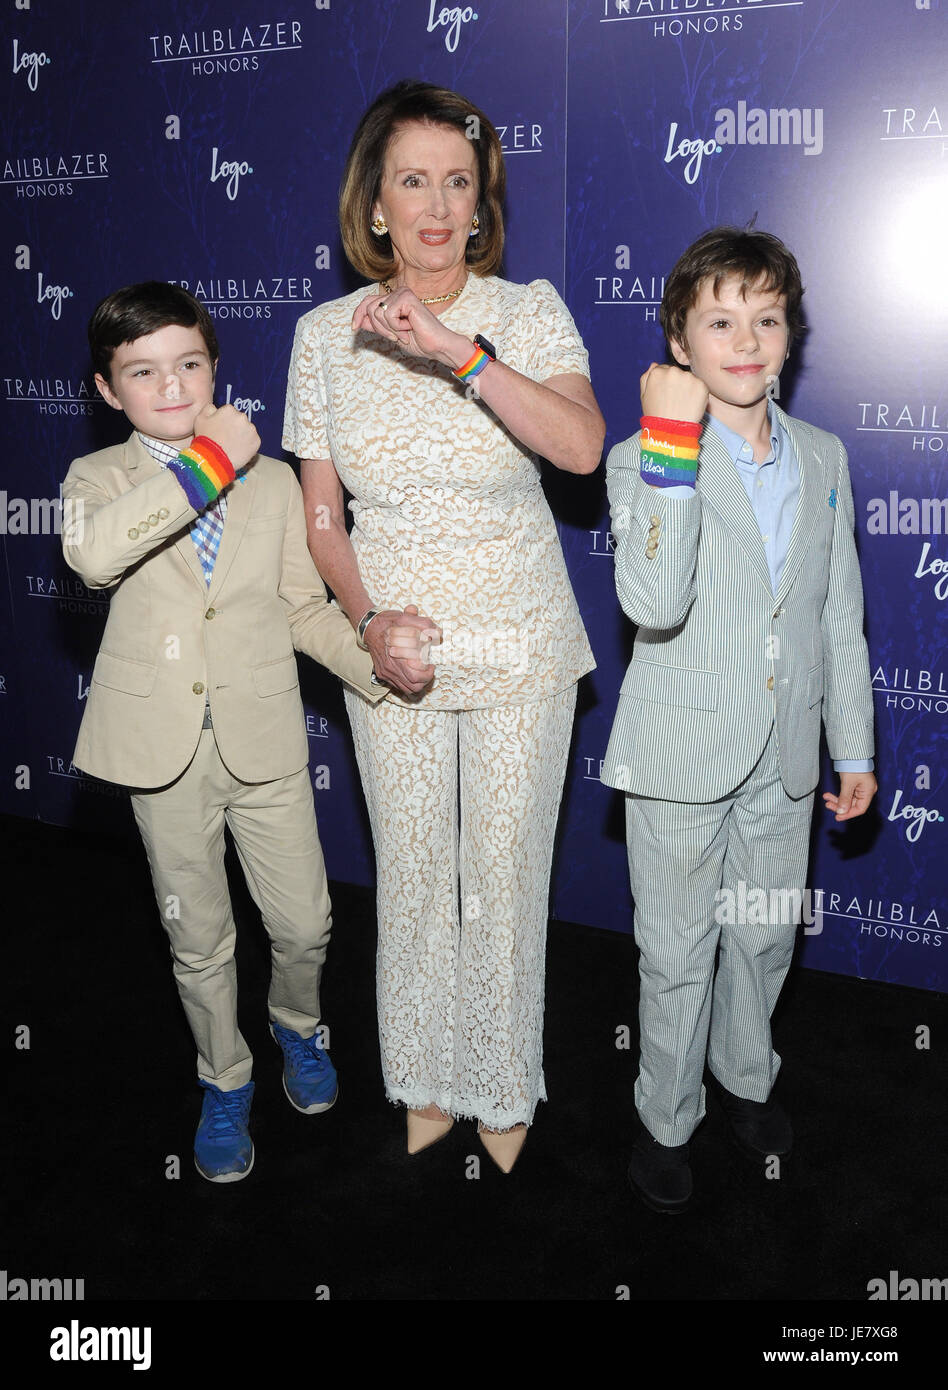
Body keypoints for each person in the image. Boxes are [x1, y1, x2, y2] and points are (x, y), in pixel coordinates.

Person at [283, 80, 605, 1172]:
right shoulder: (323, 338)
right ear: (373, 204)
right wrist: (368, 621)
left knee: (506, 870)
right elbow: (322, 519)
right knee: (416, 869)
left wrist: (457, 350)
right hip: (397, 646)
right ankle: (423, 1079)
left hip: (518, 638)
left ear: (481, 202)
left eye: (456, 182)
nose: (433, 204)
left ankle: (502, 1085)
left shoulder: (529, 311)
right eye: (410, 181)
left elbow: (579, 449)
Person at [62, 281, 394, 1183]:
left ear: (214, 366)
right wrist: (209, 460)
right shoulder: (98, 481)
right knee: (198, 938)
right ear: (107, 391)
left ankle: (298, 1028)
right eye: (143, 372)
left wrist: (378, 659)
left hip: (264, 742)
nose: (170, 386)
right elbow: (94, 558)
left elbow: (301, 608)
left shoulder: (275, 480)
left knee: (306, 924)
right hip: (160, 757)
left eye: (189, 364)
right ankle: (225, 1076)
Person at [600, 227, 876, 1212]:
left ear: (791, 335)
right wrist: (674, 444)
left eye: (766, 318)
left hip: (786, 754)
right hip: (681, 751)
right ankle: (667, 1113)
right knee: (676, 951)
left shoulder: (826, 455)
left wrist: (852, 742)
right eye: (721, 320)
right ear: (680, 341)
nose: (746, 339)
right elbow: (653, 598)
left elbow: (839, 610)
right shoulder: (641, 457)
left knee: (760, 937)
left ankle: (744, 1076)